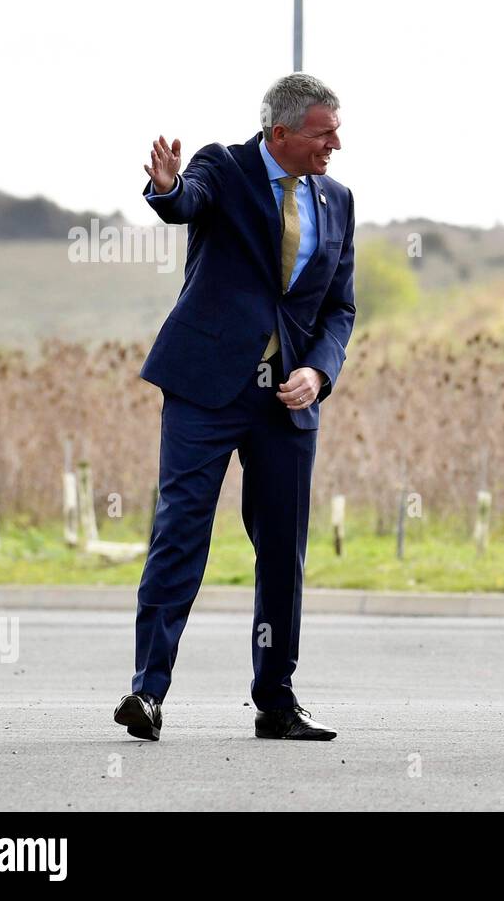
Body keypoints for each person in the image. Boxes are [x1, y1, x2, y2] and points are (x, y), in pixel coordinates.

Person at [113, 73, 356, 742]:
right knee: (180, 530)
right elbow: (184, 201)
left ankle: (275, 701)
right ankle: (148, 692)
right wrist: (166, 188)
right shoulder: (225, 164)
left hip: (286, 401)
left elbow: (339, 308)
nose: (336, 143)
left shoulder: (339, 201)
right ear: (281, 133)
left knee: (283, 550)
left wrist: (318, 369)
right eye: (323, 132)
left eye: (336, 130)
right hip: (206, 387)